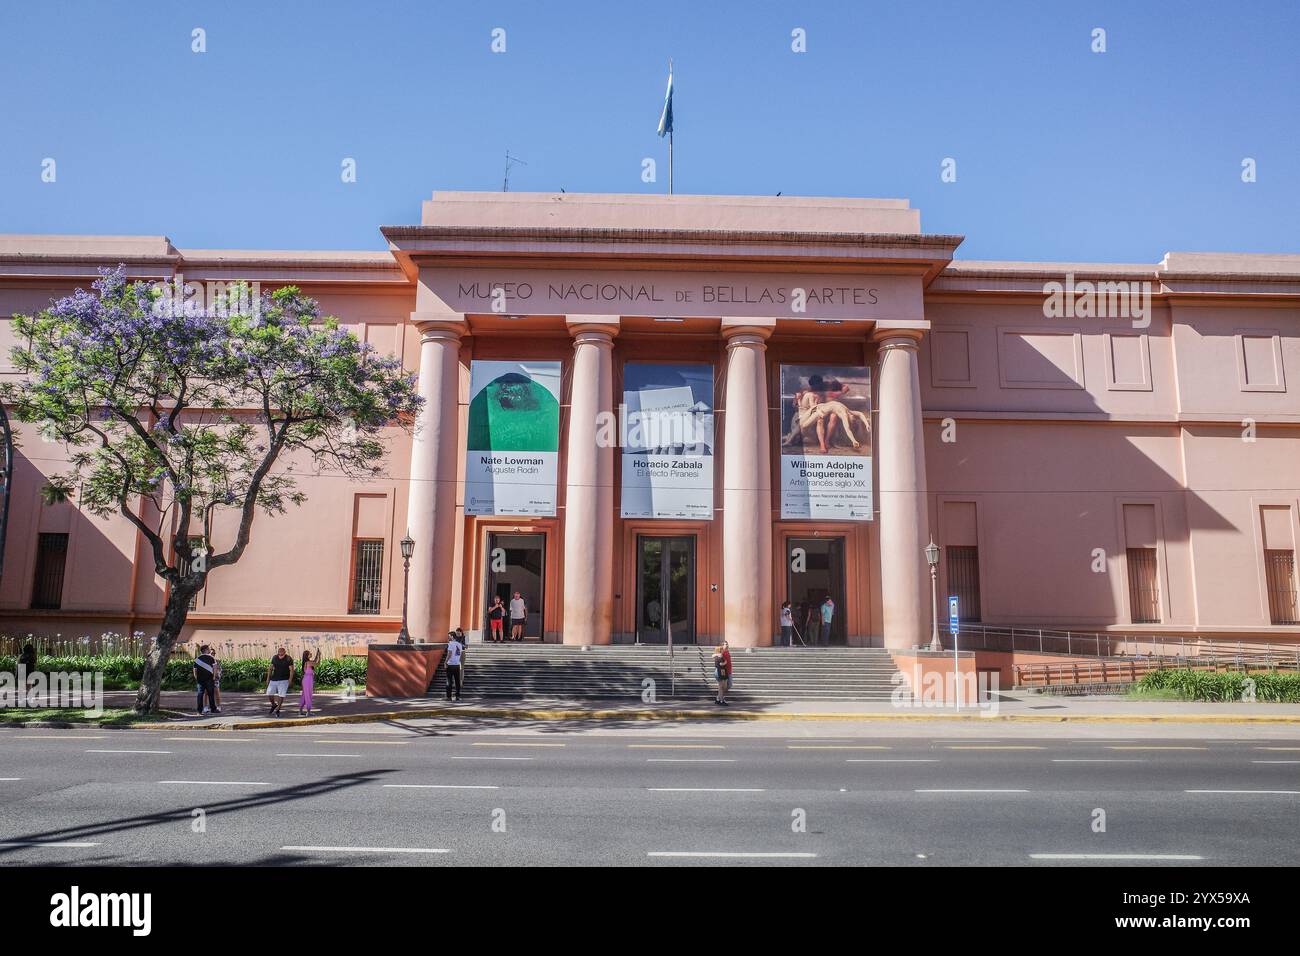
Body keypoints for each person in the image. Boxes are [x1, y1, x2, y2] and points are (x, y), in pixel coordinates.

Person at [265, 646, 295, 718]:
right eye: (279, 651)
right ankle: (273, 704)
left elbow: (291, 670)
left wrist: (290, 679)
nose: (280, 652)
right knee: (269, 693)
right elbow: (270, 668)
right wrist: (268, 678)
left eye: (282, 651)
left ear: (284, 652)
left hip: (284, 679)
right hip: (274, 679)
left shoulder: (288, 658)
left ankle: (278, 709)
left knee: (281, 695)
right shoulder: (275, 657)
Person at [193, 644, 219, 715]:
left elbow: (194, 670)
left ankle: (199, 711)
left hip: (200, 680)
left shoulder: (197, 659)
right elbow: (215, 668)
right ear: (206, 650)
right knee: (211, 694)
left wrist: (196, 677)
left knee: (200, 694)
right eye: (209, 649)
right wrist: (214, 677)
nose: (210, 650)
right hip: (209, 679)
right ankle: (213, 709)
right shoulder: (211, 658)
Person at [298, 648, 321, 716]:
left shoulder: (306, 662)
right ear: (307, 655)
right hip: (308, 679)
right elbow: (317, 664)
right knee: (308, 695)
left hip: (306, 679)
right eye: (309, 653)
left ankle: (301, 710)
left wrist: (317, 654)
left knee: (305, 695)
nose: (311, 654)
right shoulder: (309, 662)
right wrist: (319, 656)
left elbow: (314, 660)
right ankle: (308, 711)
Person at [445, 630, 464, 701]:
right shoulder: (459, 644)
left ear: (452, 637)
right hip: (457, 664)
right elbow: (460, 654)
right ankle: (457, 696)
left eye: (449, 636)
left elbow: (449, 653)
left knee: (449, 681)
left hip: (450, 664)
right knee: (457, 681)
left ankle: (448, 697)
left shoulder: (450, 644)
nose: (448, 638)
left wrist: (445, 662)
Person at [712, 640, 732, 705]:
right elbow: (713, 656)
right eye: (725, 644)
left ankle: (718, 699)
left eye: (727, 644)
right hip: (722, 671)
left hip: (726, 671)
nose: (727, 645)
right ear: (722, 646)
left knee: (722, 687)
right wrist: (724, 662)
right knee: (723, 687)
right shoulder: (721, 653)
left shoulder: (727, 652)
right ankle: (721, 700)